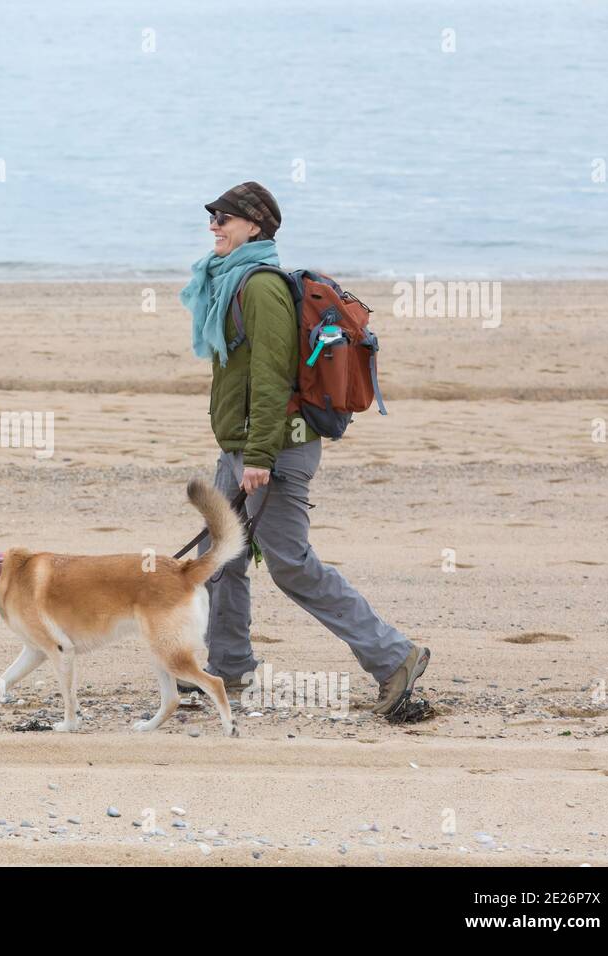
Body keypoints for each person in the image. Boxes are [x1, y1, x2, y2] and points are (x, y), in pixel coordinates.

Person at [178, 181, 429, 719]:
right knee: (220, 560)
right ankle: (228, 669)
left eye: (224, 218)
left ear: (255, 227)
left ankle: (395, 656)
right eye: (214, 217)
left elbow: (270, 379)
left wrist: (261, 458)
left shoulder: (260, 287)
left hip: (275, 449)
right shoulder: (230, 281)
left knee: (290, 563)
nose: (214, 226)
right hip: (245, 446)